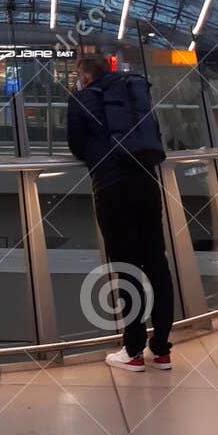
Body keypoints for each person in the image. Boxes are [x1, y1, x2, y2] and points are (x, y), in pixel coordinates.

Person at [66, 55, 175, 373]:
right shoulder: (132, 94)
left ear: (86, 76)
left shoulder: (82, 99)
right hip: (147, 182)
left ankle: (134, 351)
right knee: (157, 264)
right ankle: (162, 351)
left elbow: (77, 146)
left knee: (126, 267)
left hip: (112, 188)